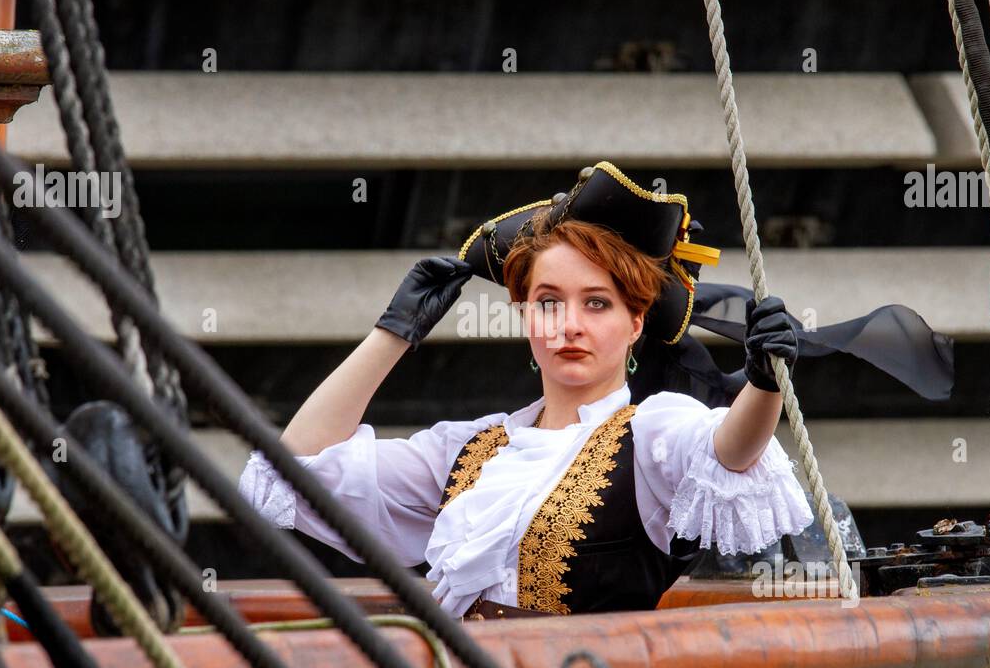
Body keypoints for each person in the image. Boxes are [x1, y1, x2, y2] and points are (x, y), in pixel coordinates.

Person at [238, 162, 816, 620]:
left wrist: (764, 381)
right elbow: (292, 470)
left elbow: (732, 452)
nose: (569, 324)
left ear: (634, 323)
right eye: (548, 303)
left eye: (597, 303)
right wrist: (393, 333)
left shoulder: (654, 431)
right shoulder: (471, 451)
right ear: (525, 318)